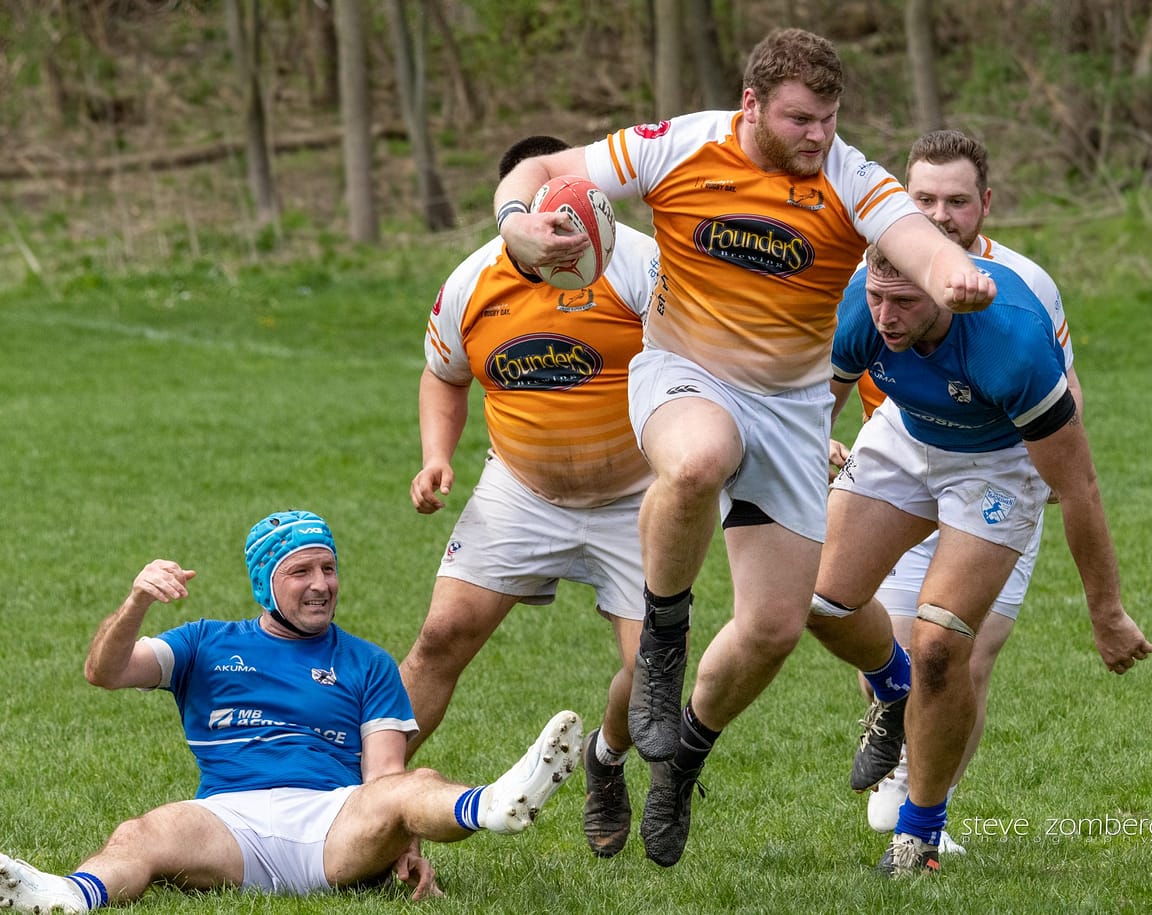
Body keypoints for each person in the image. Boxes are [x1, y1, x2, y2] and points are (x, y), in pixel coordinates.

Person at [491, 28, 997, 868]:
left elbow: (914, 237)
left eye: (830, 119)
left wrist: (951, 275)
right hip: (684, 370)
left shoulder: (849, 175)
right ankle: (661, 644)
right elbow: (540, 172)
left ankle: (683, 760)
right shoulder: (680, 144)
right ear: (751, 104)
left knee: (772, 627)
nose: (818, 136)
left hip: (794, 411)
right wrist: (516, 225)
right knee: (696, 458)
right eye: (801, 119)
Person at [0, 510, 583, 912]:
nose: (321, 584)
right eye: (300, 571)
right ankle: (69, 897)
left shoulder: (367, 662)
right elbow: (104, 671)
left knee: (417, 781)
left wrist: (405, 844)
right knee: (142, 832)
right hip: (229, 824)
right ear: (264, 581)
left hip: (333, 821)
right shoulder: (205, 642)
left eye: (328, 568)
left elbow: (384, 779)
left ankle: (496, 805)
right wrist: (136, 602)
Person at [810, 243, 1152, 875]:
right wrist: (810, 440)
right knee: (815, 600)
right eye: (878, 298)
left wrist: (1106, 613)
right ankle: (892, 686)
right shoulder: (865, 306)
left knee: (941, 647)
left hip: (998, 464)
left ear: (944, 291)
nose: (886, 317)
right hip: (905, 431)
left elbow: (1079, 488)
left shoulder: (1010, 346)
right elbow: (818, 401)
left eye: (904, 302)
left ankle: (918, 836)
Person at [399, 134, 659, 860]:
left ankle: (605, 761)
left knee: (652, 673)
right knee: (440, 637)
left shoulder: (638, 265)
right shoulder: (471, 281)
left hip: (636, 499)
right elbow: (445, 376)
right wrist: (434, 457)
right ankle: (368, 796)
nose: (563, 240)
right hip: (521, 490)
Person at [833, 129, 1087, 852]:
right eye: (923, 199)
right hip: (903, 471)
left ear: (986, 204)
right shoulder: (875, 269)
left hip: (999, 475)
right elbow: (838, 368)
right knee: (888, 637)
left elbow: (1064, 396)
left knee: (960, 657)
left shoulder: (1024, 288)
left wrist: (1060, 480)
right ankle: (898, 727)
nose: (939, 215)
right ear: (900, 199)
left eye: (956, 200)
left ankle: (926, 821)